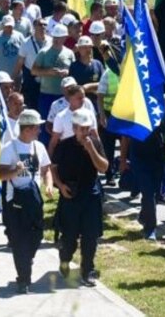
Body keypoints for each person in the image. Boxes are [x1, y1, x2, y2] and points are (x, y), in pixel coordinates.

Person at [0, 109, 53, 293]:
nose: (39, 131)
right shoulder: (10, 148)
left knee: (36, 236)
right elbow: (1, 174)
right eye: (37, 127)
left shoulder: (39, 147)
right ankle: (23, 278)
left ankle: (26, 259)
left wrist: (49, 184)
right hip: (15, 201)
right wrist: (15, 170)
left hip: (34, 199)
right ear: (27, 129)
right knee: (19, 240)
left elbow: (46, 168)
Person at [51, 110, 108, 287]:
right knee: (69, 238)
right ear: (74, 128)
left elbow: (104, 168)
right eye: (80, 129)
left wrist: (91, 150)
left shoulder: (95, 143)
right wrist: (60, 185)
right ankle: (65, 259)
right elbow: (53, 168)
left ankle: (87, 269)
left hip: (90, 195)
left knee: (90, 237)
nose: (84, 132)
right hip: (70, 196)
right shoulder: (64, 146)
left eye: (86, 128)